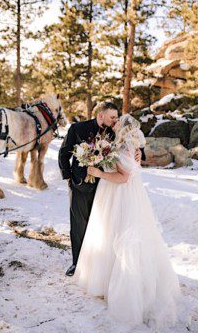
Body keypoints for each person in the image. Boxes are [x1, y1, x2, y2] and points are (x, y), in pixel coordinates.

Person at [74, 114, 181, 328]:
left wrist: (97, 172)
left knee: (116, 234)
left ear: (123, 128)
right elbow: (132, 169)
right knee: (113, 234)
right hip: (125, 195)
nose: (114, 123)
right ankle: (107, 279)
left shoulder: (121, 148)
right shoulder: (127, 145)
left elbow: (123, 177)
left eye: (117, 122)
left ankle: (117, 286)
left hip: (118, 194)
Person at [58, 102, 119, 277]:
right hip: (79, 184)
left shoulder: (114, 133)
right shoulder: (78, 128)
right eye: (112, 117)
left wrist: (139, 152)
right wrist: (68, 177)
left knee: (101, 225)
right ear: (101, 115)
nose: (115, 120)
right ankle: (77, 263)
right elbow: (64, 153)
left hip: (105, 187)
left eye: (116, 117)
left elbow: (130, 147)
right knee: (78, 225)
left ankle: (98, 262)